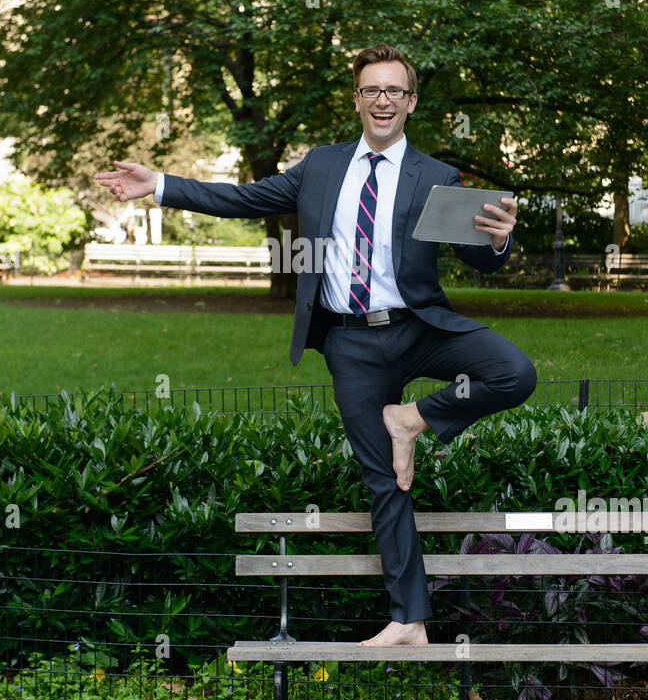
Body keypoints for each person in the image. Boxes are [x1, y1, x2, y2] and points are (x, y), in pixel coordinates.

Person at [95, 43, 537, 647]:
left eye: (395, 91)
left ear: (412, 102)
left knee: (515, 372)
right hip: (350, 343)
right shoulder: (322, 167)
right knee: (385, 481)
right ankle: (409, 619)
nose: (383, 100)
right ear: (356, 99)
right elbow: (245, 198)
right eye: (371, 90)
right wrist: (162, 184)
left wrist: (499, 241)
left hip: (418, 329)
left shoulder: (436, 177)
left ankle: (412, 420)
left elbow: (477, 257)